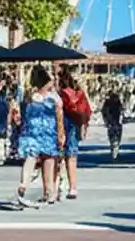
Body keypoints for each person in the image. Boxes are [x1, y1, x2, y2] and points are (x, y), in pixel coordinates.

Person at [11, 66, 64, 209]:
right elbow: (59, 116)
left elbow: (22, 114)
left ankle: (24, 184)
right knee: (49, 160)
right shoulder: (53, 97)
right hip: (48, 132)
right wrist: (61, 133)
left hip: (31, 131)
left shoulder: (29, 97)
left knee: (30, 158)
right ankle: (50, 192)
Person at [56, 68, 88, 200]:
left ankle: (58, 186)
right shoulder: (78, 93)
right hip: (75, 124)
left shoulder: (59, 94)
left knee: (58, 156)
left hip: (62, 122)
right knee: (72, 156)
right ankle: (73, 187)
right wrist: (84, 126)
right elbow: (86, 110)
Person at [102, 90, 124, 160]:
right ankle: (115, 149)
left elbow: (104, 113)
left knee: (113, 137)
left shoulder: (108, 103)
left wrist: (106, 121)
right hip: (115, 123)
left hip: (112, 123)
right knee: (116, 137)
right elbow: (121, 112)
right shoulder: (116, 102)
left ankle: (114, 149)